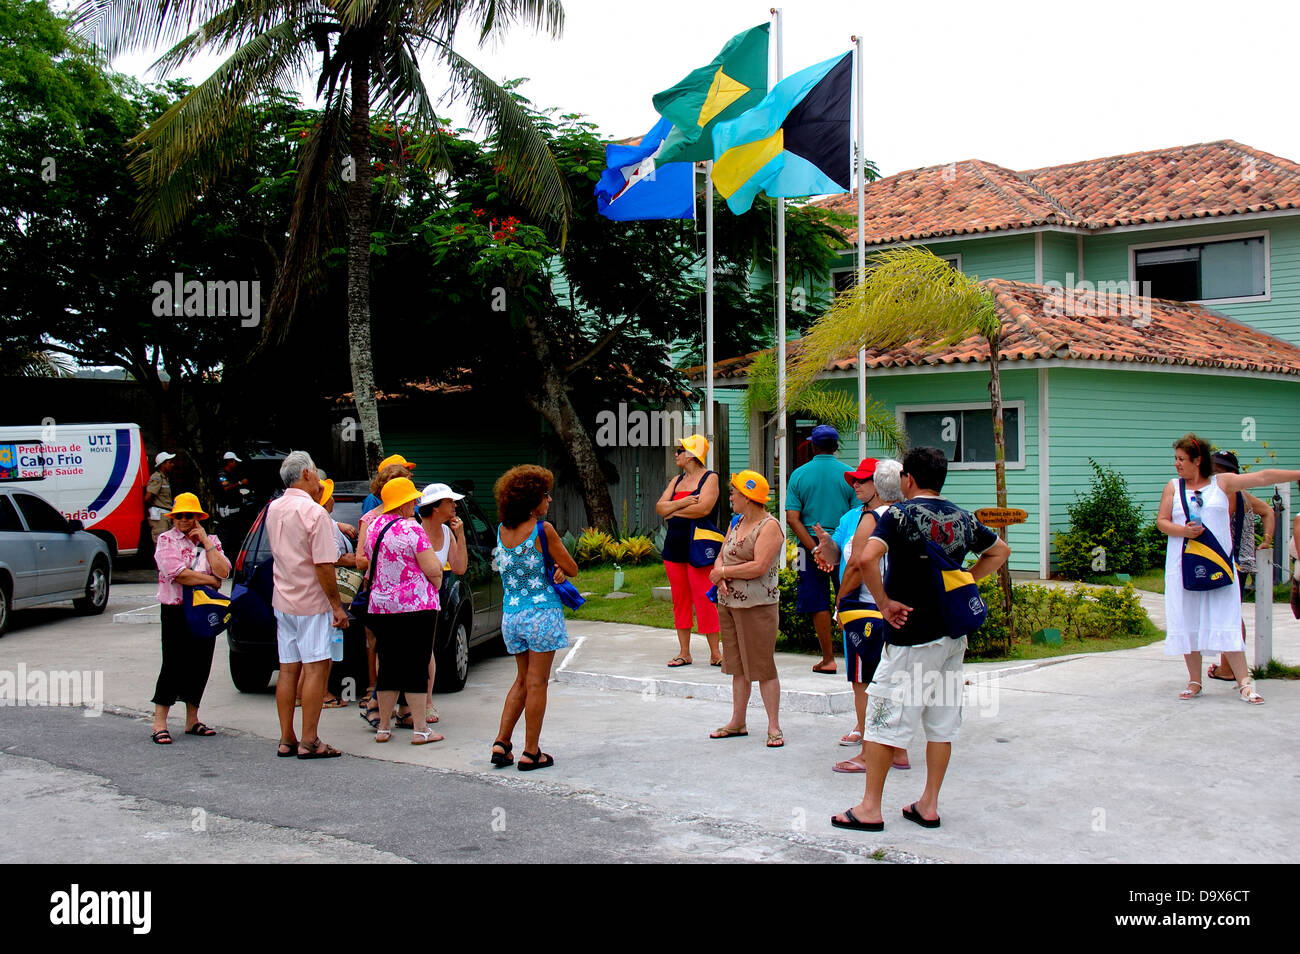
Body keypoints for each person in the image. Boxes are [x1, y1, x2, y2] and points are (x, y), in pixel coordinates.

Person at [832, 447, 1010, 832]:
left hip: (911, 635)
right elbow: (1000, 551)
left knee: (882, 720)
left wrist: (883, 602)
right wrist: (964, 582)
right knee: (942, 724)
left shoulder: (899, 514)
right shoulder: (963, 517)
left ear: (908, 479)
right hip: (952, 636)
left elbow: (866, 559)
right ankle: (928, 804)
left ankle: (869, 808)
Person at [1155, 434, 1300, 705]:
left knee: (1228, 617)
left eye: (1181, 459)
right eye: (1175, 459)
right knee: (1188, 619)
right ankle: (1194, 680)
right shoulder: (1173, 487)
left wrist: (1296, 474)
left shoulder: (1221, 483)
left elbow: (1262, 477)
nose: (1176, 464)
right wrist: (1183, 530)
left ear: (1198, 461)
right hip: (1182, 564)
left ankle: (1244, 682)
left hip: (1219, 564)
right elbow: (1162, 522)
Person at [814, 459, 910, 772]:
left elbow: (857, 564)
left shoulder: (872, 518)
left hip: (869, 608)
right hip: (899, 610)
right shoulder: (909, 514)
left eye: (863, 480)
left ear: (879, 485)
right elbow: (838, 553)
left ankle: (871, 751)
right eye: (853, 481)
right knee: (894, 678)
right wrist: (827, 546)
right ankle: (897, 749)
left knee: (864, 680)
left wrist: (841, 600)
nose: (856, 486)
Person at [491, 465, 579, 771]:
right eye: (545, 495)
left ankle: (502, 743)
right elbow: (572, 566)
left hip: (512, 616)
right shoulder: (543, 530)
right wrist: (559, 567)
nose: (550, 500)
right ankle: (531, 752)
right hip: (542, 615)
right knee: (538, 683)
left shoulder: (503, 531)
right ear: (533, 500)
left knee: (521, 680)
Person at [265, 450, 348, 759]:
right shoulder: (315, 513)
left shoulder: (274, 508)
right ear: (307, 475)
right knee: (315, 669)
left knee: (288, 670)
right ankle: (310, 739)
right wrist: (337, 606)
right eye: (315, 473)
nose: (318, 481)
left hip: (283, 599)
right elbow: (324, 565)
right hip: (311, 603)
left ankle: (287, 737)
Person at [707, 470, 785, 747]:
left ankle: (774, 726)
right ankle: (737, 721)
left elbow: (759, 566)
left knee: (762, 666)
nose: (731, 497)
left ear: (749, 497)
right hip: (729, 604)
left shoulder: (770, 526)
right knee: (737, 666)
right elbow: (721, 554)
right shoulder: (736, 522)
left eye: (735, 493)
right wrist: (719, 572)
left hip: (757, 606)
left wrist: (724, 572)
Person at [363, 477, 444, 745]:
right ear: (404, 502)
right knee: (416, 665)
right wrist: (436, 583)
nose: (415, 503)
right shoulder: (412, 529)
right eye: (412, 499)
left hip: (381, 607)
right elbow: (433, 569)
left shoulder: (373, 526)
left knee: (388, 664)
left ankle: (383, 728)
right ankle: (420, 729)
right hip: (416, 607)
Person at [150, 492, 230, 743]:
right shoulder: (166, 540)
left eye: (189, 516)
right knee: (173, 664)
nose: (184, 520)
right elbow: (178, 574)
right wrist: (209, 580)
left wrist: (206, 542)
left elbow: (224, 571)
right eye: (180, 516)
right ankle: (159, 722)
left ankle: (192, 719)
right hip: (176, 610)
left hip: (202, 609)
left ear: (198, 518)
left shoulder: (210, 541)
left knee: (200, 662)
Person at [785, 424, 855, 673]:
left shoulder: (799, 475)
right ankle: (853, 655)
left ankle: (828, 659)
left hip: (808, 548)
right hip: (844, 547)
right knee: (847, 598)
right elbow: (856, 516)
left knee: (817, 603)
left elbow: (793, 517)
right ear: (836, 447)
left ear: (813, 446)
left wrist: (816, 549)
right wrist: (831, 547)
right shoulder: (850, 475)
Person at [1205, 450, 1275, 683]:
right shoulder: (1242, 494)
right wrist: (1266, 538)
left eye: (1219, 470)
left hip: (1229, 561)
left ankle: (1228, 668)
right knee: (1232, 613)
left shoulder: (1228, 494)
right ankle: (1231, 666)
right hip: (1240, 560)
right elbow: (1268, 511)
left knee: (1230, 616)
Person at [655, 434, 723, 668]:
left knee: (705, 599)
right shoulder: (676, 480)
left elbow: (703, 509)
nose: (676, 454)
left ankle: (716, 652)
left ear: (693, 454)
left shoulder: (710, 478)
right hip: (674, 546)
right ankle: (684, 652)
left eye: (680, 450)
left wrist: (671, 511)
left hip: (700, 546)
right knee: (680, 599)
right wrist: (683, 504)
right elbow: (659, 507)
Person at [356, 461, 415, 725]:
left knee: (403, 651)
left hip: (408, 596)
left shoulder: (411, 518)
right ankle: (378, 704)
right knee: (390, 650)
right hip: (382, 593)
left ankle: (402, 707)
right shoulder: (371, 520)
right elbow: (359, 559)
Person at [417, 482, 469, 724]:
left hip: (434, 599)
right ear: (435, 507)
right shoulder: (413, 531)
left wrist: (460, 535)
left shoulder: (447, 533)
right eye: (449, 502)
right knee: (408, 651)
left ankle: (426, 702)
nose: (454, 506)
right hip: (410, 601)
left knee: (427, 649)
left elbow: (459, 567)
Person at [144, 451, 178, 543]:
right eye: (170, 462)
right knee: (162, 545)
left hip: (167, 516)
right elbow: (147, 498)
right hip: (159, 517)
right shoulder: (157, 478)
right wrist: (155, 507)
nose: (172, 464)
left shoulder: (165, 478)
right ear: (163, 464)